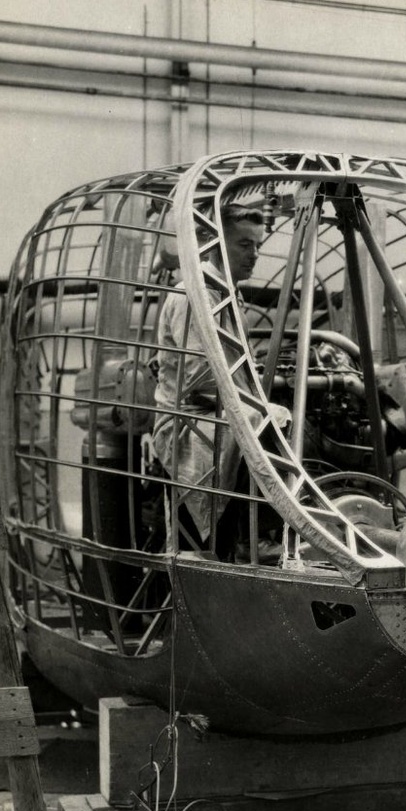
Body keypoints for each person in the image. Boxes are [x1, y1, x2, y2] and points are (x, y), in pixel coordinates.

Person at [152, 203, 287, 552]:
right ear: (213, 242)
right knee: (262, 420)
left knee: (275, 418)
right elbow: (198, 378)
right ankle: (254, 537)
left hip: (216, 416)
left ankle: (262, 535)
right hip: (189, 425)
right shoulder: (193, 294)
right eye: (244, 244)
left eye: (258, 244)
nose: (255, 254)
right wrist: (253, 400)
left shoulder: (226, 293)